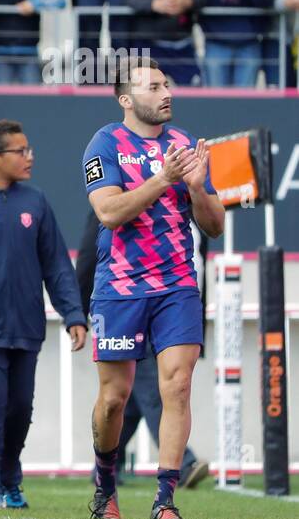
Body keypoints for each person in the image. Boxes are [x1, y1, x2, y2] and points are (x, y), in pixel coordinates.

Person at [83, 55, 225, 519]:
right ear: (125, 99)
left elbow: (215, 226)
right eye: (152, 87)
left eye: (166, 85)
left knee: (178, 385)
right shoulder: (103, 143)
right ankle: (105, 487)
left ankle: (165, 500)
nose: (166, 93)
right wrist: (162, 179)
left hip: (177, 285)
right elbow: (109, 213)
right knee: (114, 399)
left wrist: (199, 189)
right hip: (120, 287)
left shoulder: (186, 144)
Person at [0, 120, 86, 508]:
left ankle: (9, 480)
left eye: (29, 149)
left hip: (27, 327)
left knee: (19, 411)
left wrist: (73, 314)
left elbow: (57, 264)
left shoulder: (36, 202)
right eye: (20, 151)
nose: (30, 157)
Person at [75, 208, 210, 489]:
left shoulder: (189, 201)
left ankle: (116, 472)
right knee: (128, 397)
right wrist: (78, 311)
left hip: (175, 311)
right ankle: (180, 463)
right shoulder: (117, 193)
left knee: (149, 396)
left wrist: (196, 323)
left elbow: (199, 267)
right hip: (130, 304)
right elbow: (90, 252)